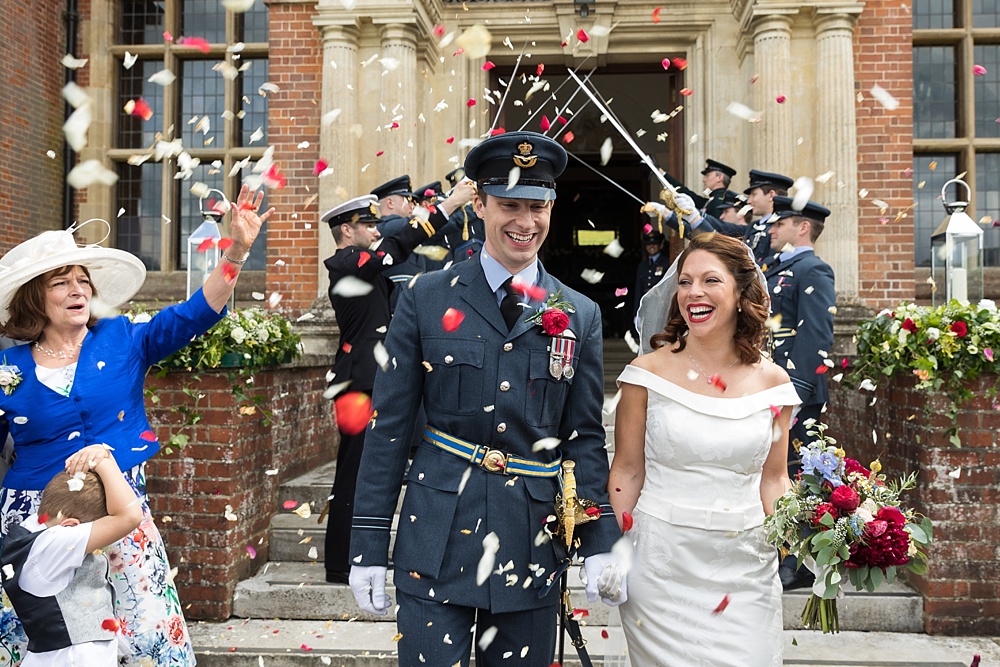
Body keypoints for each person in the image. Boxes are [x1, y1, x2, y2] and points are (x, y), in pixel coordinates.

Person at [349, 131, 623, 666]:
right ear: (479, 205)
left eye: (537, 207)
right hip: (435, 536)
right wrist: (368, 543)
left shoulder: (580, 313)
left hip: (530, 541)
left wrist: (599, 539)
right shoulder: (425, 298)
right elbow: (389, 430)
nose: (525, 222)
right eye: (509, 205)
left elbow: (583, 438)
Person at [0, 184, 271, 665]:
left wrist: (236, 251)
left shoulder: (124, 338)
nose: (78, 290)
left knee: (144, 634)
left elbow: (196, 313)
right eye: (61, 282)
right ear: (35, 298)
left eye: (83, 281)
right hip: (35, 522)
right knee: (40, 642)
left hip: (118, 512)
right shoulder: (8, 366)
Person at [610, 233, 800, 666]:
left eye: (710, 280)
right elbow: (627, 470)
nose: (694, 292)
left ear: (741, 293)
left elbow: (774, 479)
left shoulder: (774, 383)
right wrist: (618, 545)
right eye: (685, 282)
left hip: (746, 569)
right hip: (659, 567)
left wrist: (813, 542)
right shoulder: (645, 374)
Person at [322, 185, 474, 584]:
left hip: (367, 379)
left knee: (361, 468)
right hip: (358, 383)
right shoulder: (346, 262)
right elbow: (399, 243)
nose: (376, 231)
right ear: (346, 230)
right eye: (367, 225)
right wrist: (449, 205)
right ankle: (342, 561)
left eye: (376, 224)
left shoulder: (359, 264)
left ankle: (345, 557)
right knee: (354, 470)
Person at [1, 446, 143, 665]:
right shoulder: (55, 542)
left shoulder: (34, 532)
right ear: (71, 527)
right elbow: (129, 516)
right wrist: (104, 458)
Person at [764, 196, 836, 591]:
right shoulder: (780, 267)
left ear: (803, 227)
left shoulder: (814, 269)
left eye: (781, 223)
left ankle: (798, 562)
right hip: (772, 385)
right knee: (776, 470)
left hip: (795, 391)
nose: (772, 229)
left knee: (796, 472)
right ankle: (782, 552)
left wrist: (797, 394)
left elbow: (817, 335)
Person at [650, 169, 794, 268]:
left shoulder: (783, 229)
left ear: (771, 195)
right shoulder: (755, 226)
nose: (749, 201)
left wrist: (694, 215)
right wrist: (689, 214)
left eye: (754, 195)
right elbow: (719, 230)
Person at [662, 159, 738, 220]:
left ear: (719, 177)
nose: (703, 180)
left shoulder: (719, 201)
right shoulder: (713, 199)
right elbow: (688, 194)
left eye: (707, 176)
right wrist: (662, 174)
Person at [445, 167, 486, 263]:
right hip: (460, 254)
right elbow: (450, 223)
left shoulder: (480, 199)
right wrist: (473, 210)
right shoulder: (450, 204)